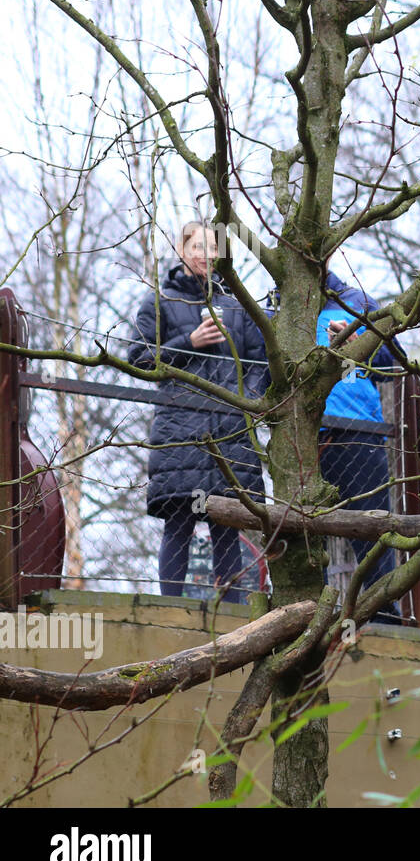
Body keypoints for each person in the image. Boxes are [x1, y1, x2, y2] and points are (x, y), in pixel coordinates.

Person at [128, 221, 268, 602]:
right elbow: (139, 358)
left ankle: (235, 617)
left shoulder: (238, 306)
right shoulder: (160, 302)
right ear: (182, 249)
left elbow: (261, 362)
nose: (206, 254)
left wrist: (248, 400)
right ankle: (169, 608)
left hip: (231, 433)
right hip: (181, 434)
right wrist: (188, 341)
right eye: (199, 245)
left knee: (228, 525)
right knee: (180, 522)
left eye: (213, 247)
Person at [317, 265, 404, 624]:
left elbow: (394, 358)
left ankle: (384, 615)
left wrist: (360, 345)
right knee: (307, 533)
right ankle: (308, 614)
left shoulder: (357, 302)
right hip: (306, 432)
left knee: (371, 526)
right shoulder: (281, 308)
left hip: (359, 428)